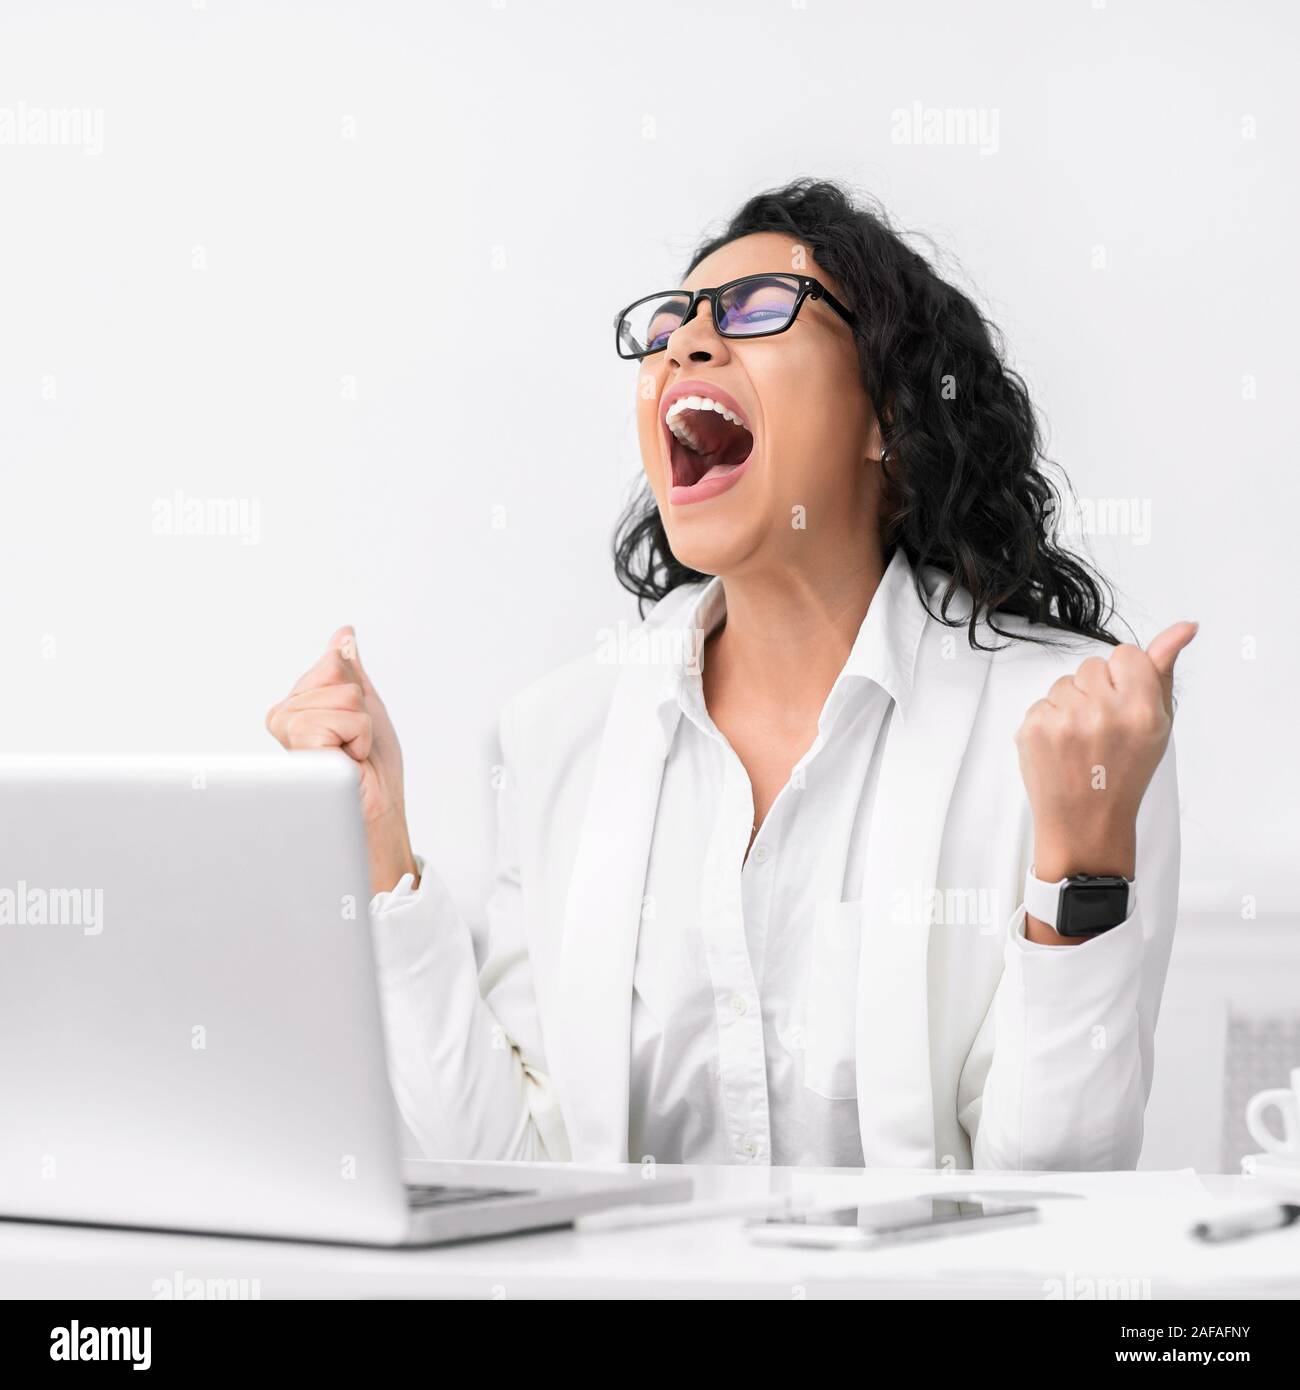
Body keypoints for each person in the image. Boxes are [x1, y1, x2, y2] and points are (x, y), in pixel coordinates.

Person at [265, 179, 1194, 1171]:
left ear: (888, 413)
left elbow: (1056, 1201)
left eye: (755, 310)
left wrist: (1084, 865)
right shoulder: (557, 735)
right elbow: (505, 1164)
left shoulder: (1070, 726)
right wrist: (380, 856)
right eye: (672, 323)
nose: (685, 344)